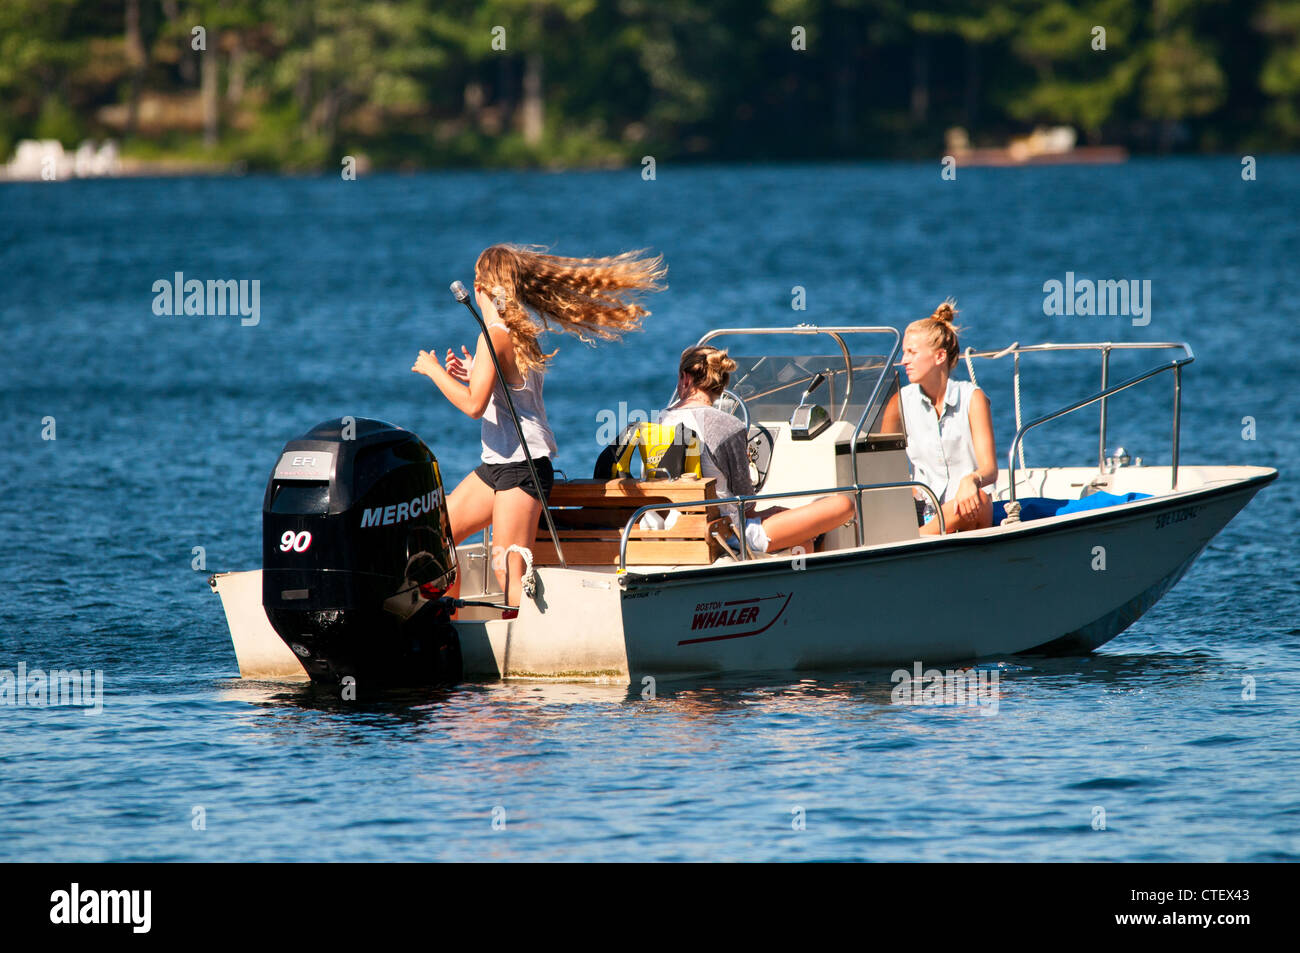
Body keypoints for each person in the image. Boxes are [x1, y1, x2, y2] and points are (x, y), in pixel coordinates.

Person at [412, 243, 667, 609]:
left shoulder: (496, 334)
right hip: (499, 464)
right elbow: (513, 391)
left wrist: (434, 371)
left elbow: (473, 405)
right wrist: (473, 372)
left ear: (480, 287)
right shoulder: (508, 332)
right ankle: (447, 621)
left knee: (507, 570)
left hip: (523, 467)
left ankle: (519, 645)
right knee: (440, 535)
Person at [659, 345, 856, 555]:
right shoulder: (728, 426)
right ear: (722, 384)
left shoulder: (661, 420)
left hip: (678, 526)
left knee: (796, 527)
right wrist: (766, 513)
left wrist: (766, 513)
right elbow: (746, 505)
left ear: (685, 378)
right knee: (843, 505)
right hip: (729, 533)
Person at [880, 300, 997, 535]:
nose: (903, 360)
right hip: (923, 510)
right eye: (904, 352)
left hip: (971, 506)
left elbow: (990, 469)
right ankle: (918, 536)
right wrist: (910, 495)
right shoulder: (899, 403)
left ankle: (912, 541)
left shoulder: (972, 398)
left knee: (978, 499)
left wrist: (970, 481)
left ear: (939, 356)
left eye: (911, 352)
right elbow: (882, 465)